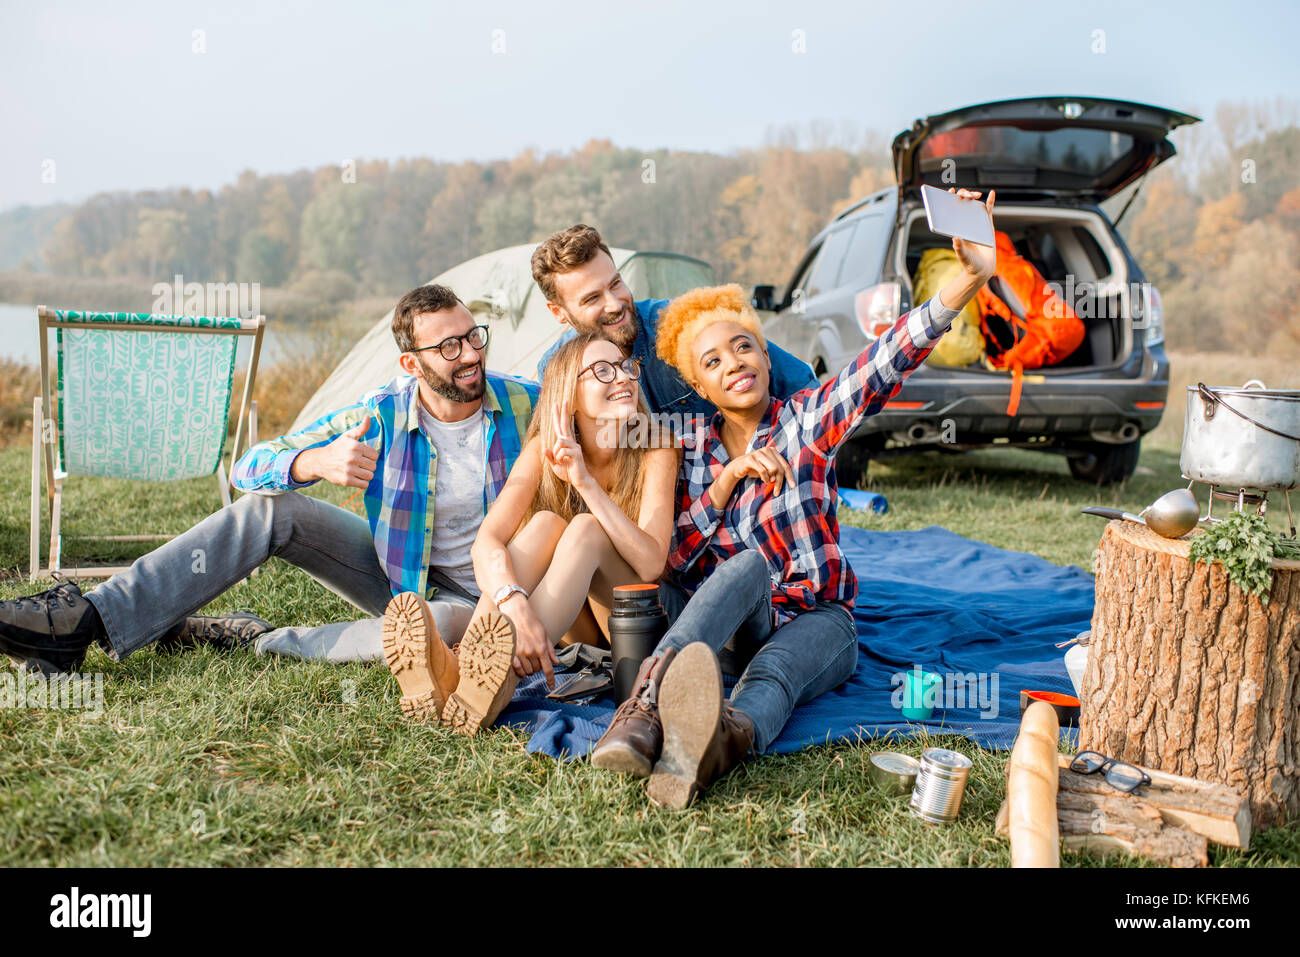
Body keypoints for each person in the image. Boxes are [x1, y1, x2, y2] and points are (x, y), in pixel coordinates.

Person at [590, 189, 998, 807]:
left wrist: (967, 280)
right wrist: (727, 481)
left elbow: (883, 361)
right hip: (727, 625)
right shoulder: (690, 443)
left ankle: (713, 746)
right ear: (697, 384)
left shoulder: (806, 420)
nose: (734, 363)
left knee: (773, 670)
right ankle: (645, 709)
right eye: (713, 360)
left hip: (815, 620)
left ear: (762, 352)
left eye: (744, 346)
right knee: (744, 565)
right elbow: (674, 561)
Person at [0, 284, 539, 675]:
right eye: (448, 347)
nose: (470, 355)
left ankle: (262, 640)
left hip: (485, 601)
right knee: (271, 509)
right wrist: (313, 463)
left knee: (432, 628)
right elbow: (248, 469)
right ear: (409, 364)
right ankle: (88, 616)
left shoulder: (526, 401)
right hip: (401, 580)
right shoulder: (380, 414)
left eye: (473, 337)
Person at [382, 332, 679, 735]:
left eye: (627, 368)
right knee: (544, 524)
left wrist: (584, 483)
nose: (624, 378)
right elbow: (487, 542)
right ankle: (465, 672)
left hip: (634, 617)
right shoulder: (545, 447)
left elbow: (650, 563)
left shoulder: (656, 444)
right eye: (603, 371)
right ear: (567, 395)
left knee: (585, 529)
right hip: (574, 626)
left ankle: (490, 677)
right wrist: (514, 605)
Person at [531, 224, 819, 416]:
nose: (615, 304)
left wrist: (780, 448)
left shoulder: (685, 322)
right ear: (558, 312)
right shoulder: (559, 370)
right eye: (592, 298)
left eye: (616, 283)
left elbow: (801, 385)